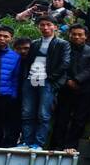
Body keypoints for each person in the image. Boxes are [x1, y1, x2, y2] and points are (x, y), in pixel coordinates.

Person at [19, 16, 69, 149]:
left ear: (55, 27)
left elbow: (65, 63)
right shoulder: (35, 43)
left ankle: (38, 143)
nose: (45, 28)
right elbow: (28, 62)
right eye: (42, 25)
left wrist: (51, 78)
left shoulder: (62, 44)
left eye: (48, 24)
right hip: (31, 79)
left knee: (43, 114)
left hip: (47, 80)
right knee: (27, 113)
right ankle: (26, 142)